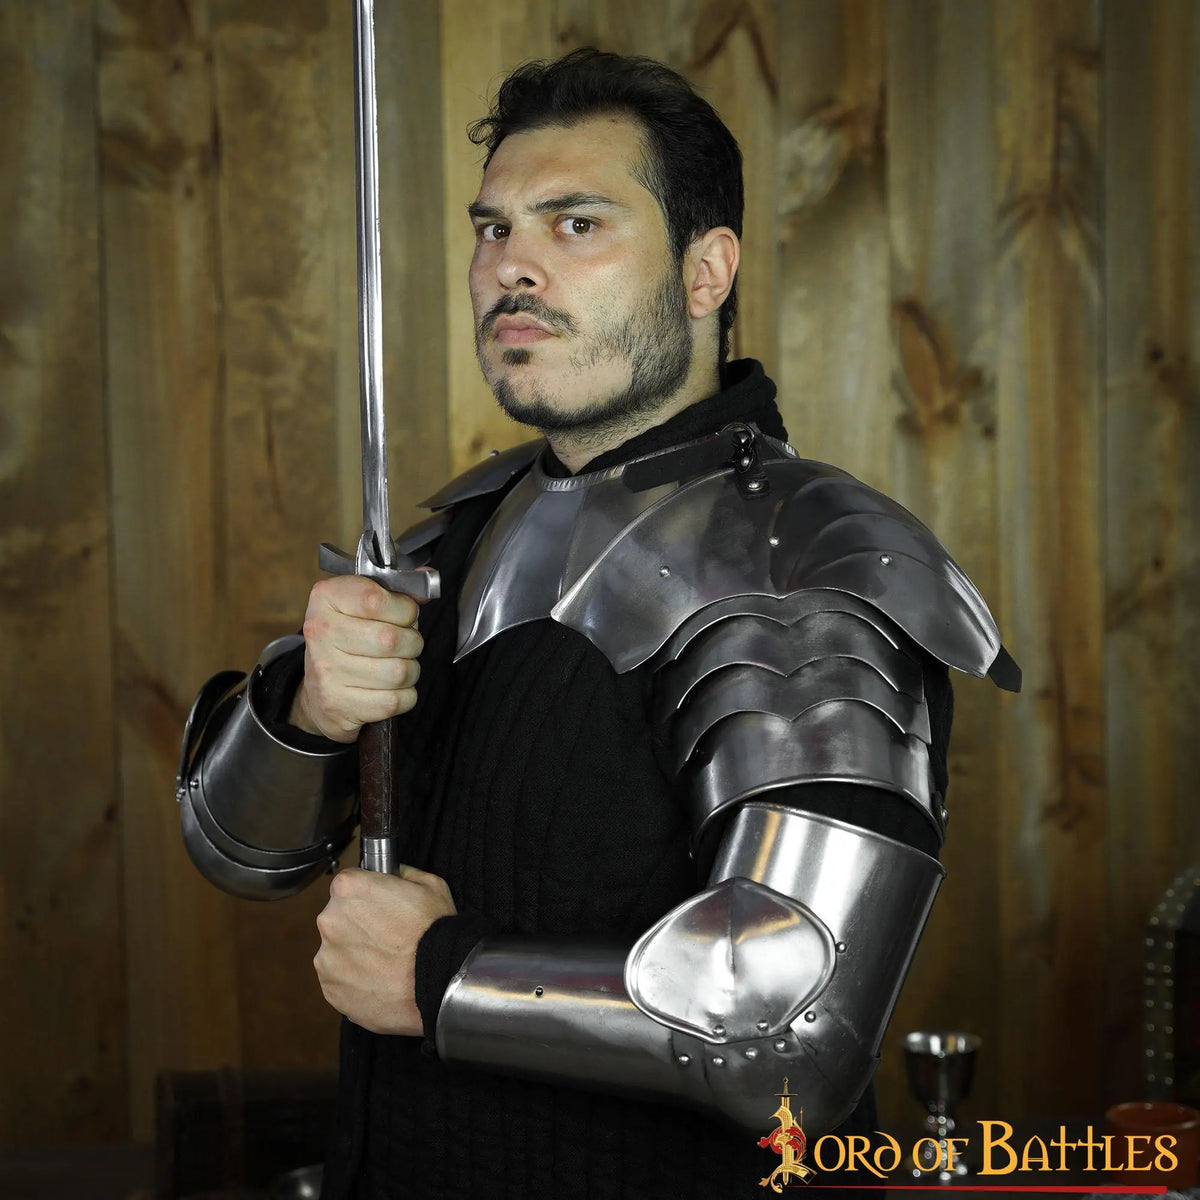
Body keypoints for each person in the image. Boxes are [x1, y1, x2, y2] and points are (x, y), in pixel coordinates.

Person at [178, 49, 1019, 1199]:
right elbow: (233, 844)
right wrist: (309, 712)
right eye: (494, 229)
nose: (510, 266)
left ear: (705, 270)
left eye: (576, 224)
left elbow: (797, 1036)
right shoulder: (455, 542)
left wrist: (442, 976)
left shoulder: (805, 565)